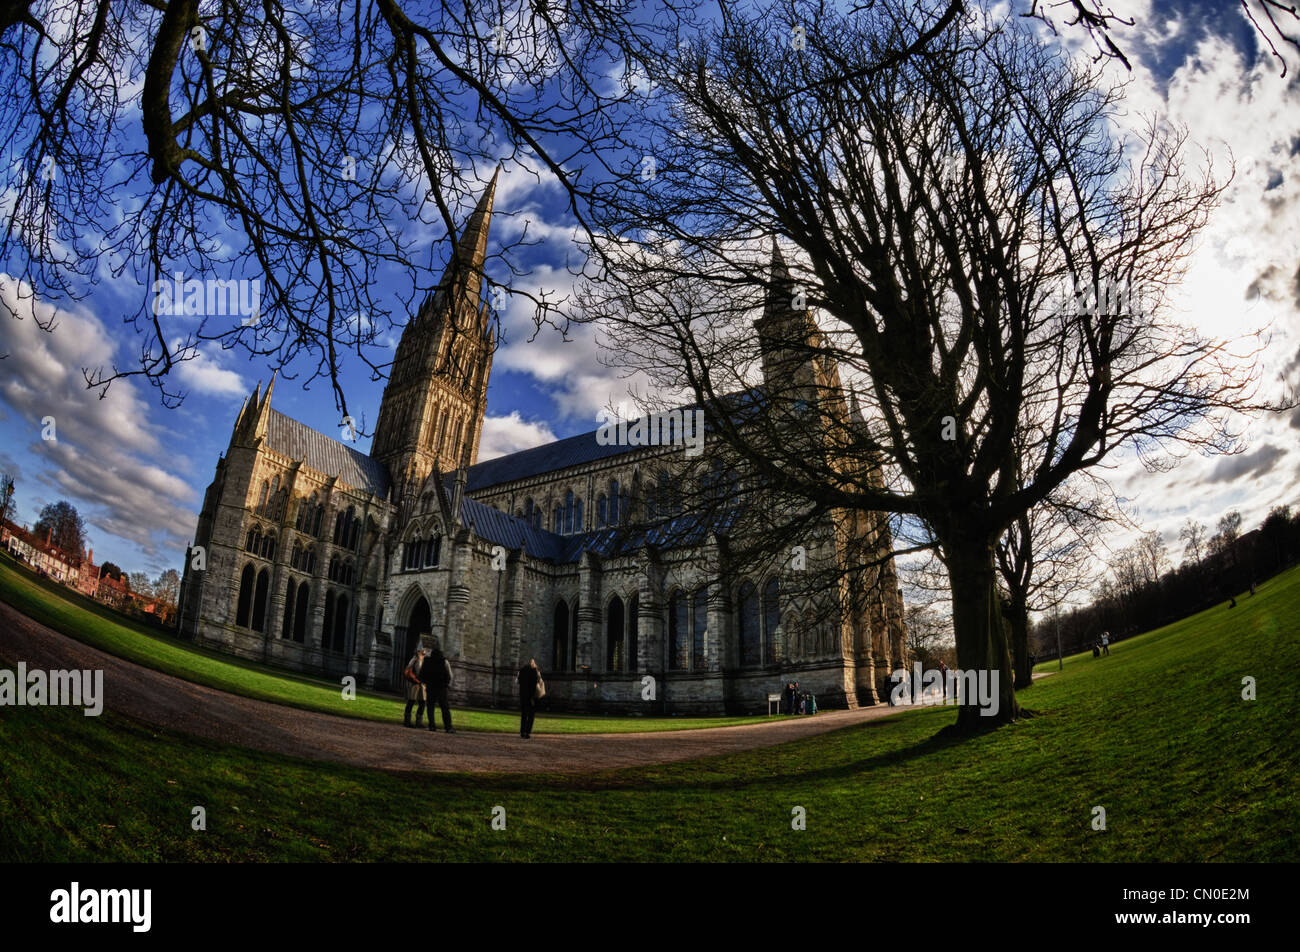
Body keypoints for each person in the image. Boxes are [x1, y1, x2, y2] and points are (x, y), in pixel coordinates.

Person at [418, 634, 455, 733]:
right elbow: (450, 675)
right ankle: (448, 727)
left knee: (430, 706)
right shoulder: (444, 662)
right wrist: (448, 684)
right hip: (441, 687)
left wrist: (424, 683)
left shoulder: (427, 661)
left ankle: (432, 726)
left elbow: (421, 673)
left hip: (430, 686)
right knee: (445, 707)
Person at [403, 646, 427, 728]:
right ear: (419, 651)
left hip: (421, 684)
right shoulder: (414, 659)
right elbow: (408, 670)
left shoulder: (424, 660)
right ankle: (407, 721)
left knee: (422, 703)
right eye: (423, 651)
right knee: (411, 701)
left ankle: (419, 722)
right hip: (414, 683)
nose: (424, 652)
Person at [518, 658, 542, 739]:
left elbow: (519, 681)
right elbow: (536, 683)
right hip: (531, 697)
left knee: (524, 714)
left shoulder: (522, 671)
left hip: (523, 696)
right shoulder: (534, 671)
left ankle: (522, 732)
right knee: (531, 715)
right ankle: (527, 732)